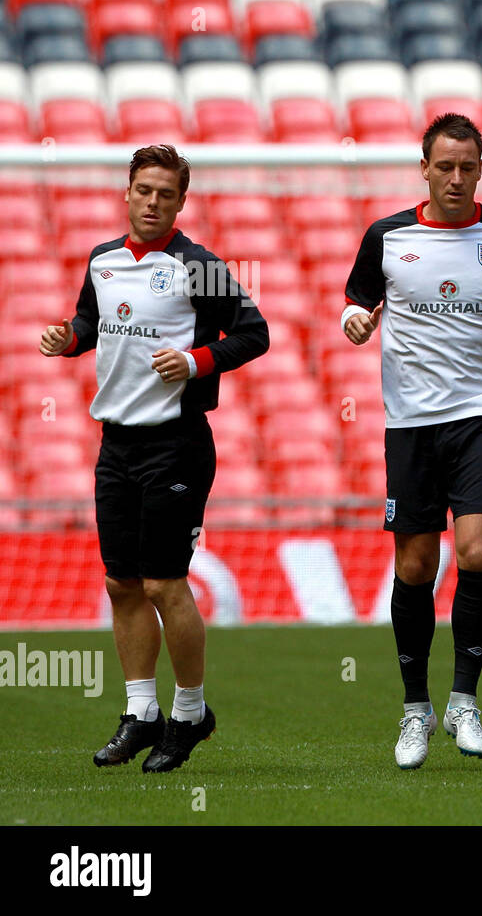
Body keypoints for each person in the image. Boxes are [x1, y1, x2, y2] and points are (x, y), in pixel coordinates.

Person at [39, 144, 269, 772]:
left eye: (166, 193)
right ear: (128, 192)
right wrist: (70, 338)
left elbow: (256, 333)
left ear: (180, 201)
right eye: (144, 190)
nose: (153, 201)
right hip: (116, 441)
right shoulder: (103, 260)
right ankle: (141, 713)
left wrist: (197, 361)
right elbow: (92, 320)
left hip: (176, 443)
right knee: (120, 582)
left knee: (165, 582)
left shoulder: (201, 267)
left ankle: (190, 712)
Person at [342, 113, 482, 768]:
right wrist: (354, 322)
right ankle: (414, 709)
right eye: (445, 166)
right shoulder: (387, 236)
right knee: (413, 568)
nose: (456, 178)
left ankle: (464, 699)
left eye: (468, 166)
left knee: (477, 548)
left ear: (481, 169)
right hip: (410, 422)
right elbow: (358, 302)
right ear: (424, 168)